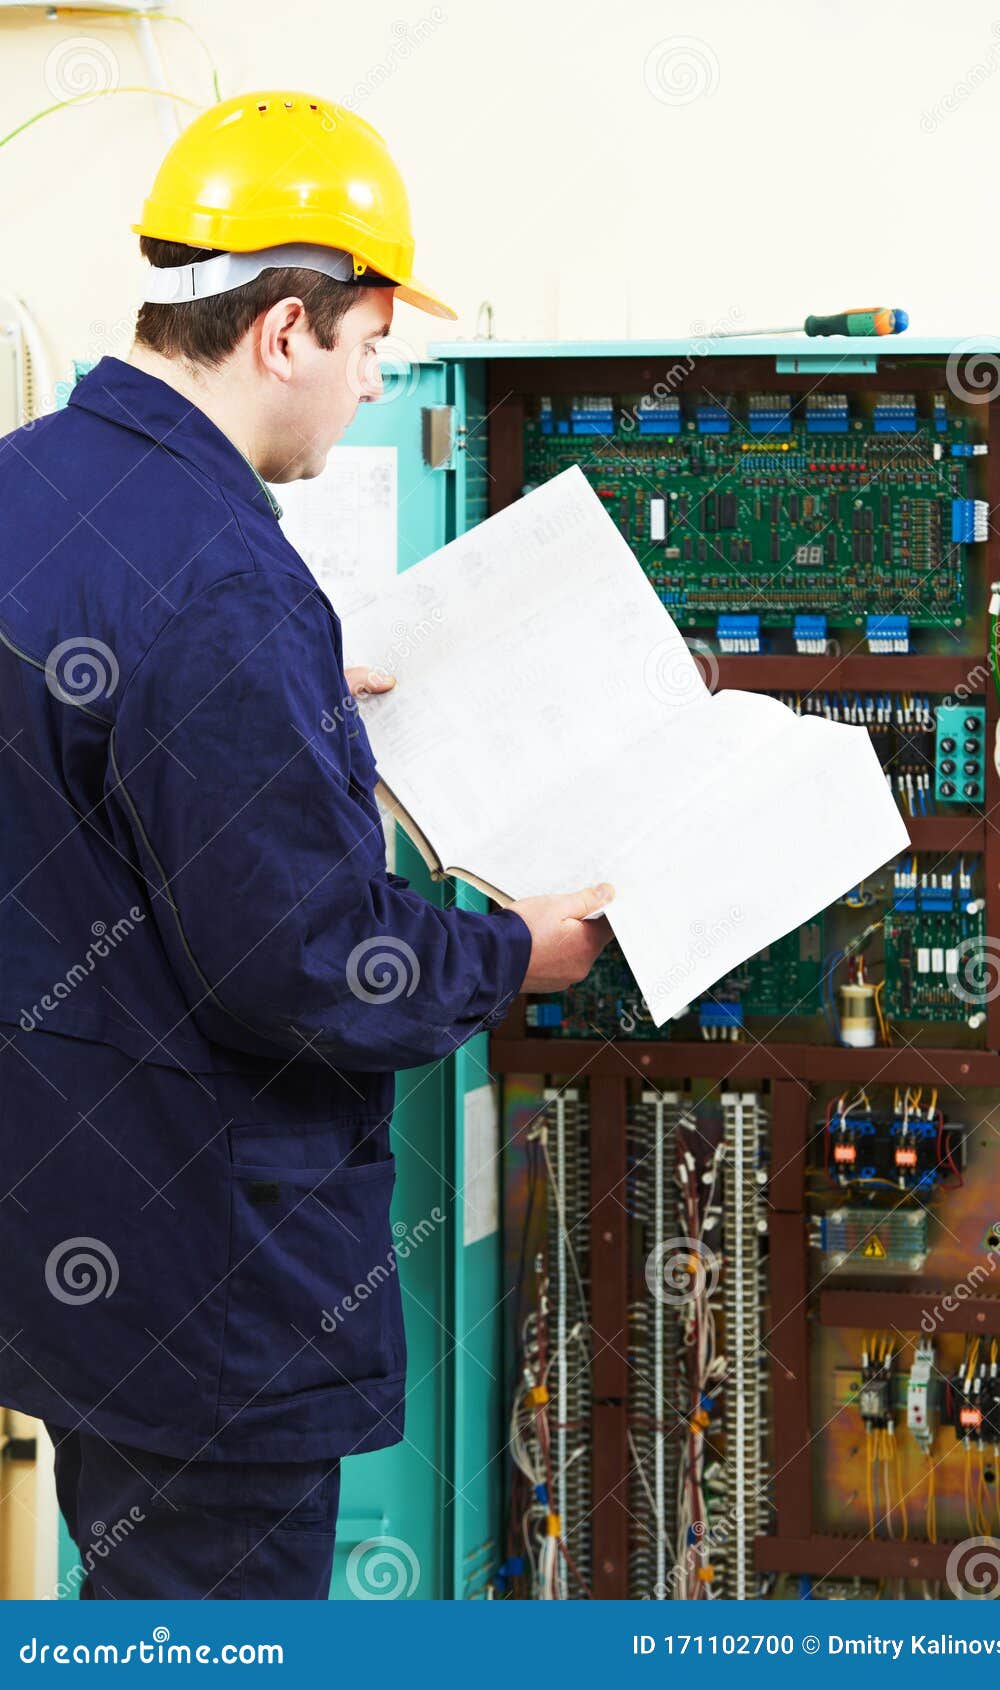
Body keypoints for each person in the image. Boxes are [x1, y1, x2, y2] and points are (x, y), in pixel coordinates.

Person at [0, 90, 612, 1599]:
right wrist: (519, 951)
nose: (363, 395)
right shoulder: (222, 577)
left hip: (72, 1238)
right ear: (285, 329)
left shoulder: (27, 485)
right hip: (215, 1283)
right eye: (367, 354)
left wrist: (273, 701)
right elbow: (314, 963)